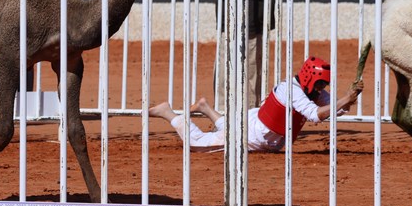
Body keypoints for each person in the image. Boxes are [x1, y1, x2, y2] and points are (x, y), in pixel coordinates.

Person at [148, 56, 363, 152]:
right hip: (252, 134)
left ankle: (205, 107)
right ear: (309, 79)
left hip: (255, 127)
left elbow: (333, 108)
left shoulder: (310, 91)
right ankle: (168, 113)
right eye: (319, 85)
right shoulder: (292, 91)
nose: (321, 90)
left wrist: (348, 99)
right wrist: (345, 99)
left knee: (227, 132)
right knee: (197, 145)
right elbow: (317, 115)